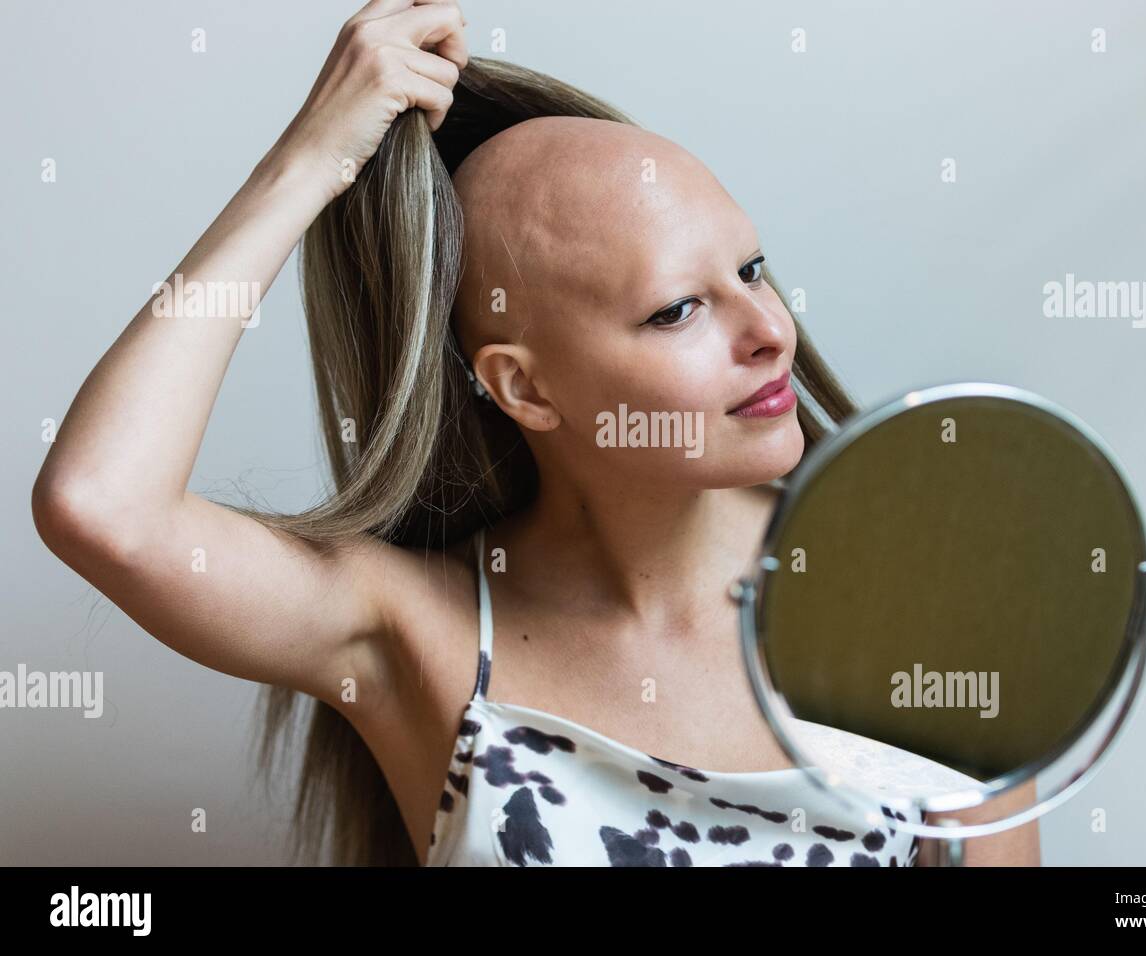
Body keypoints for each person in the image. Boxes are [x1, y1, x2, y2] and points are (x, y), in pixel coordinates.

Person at [31, 0, 1039, 866]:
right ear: (527, 388)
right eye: (675, 310)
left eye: (751, 267)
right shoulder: (411, 636)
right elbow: (103, 507)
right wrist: (311, 160)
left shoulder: (923, 608)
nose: (770, 330)